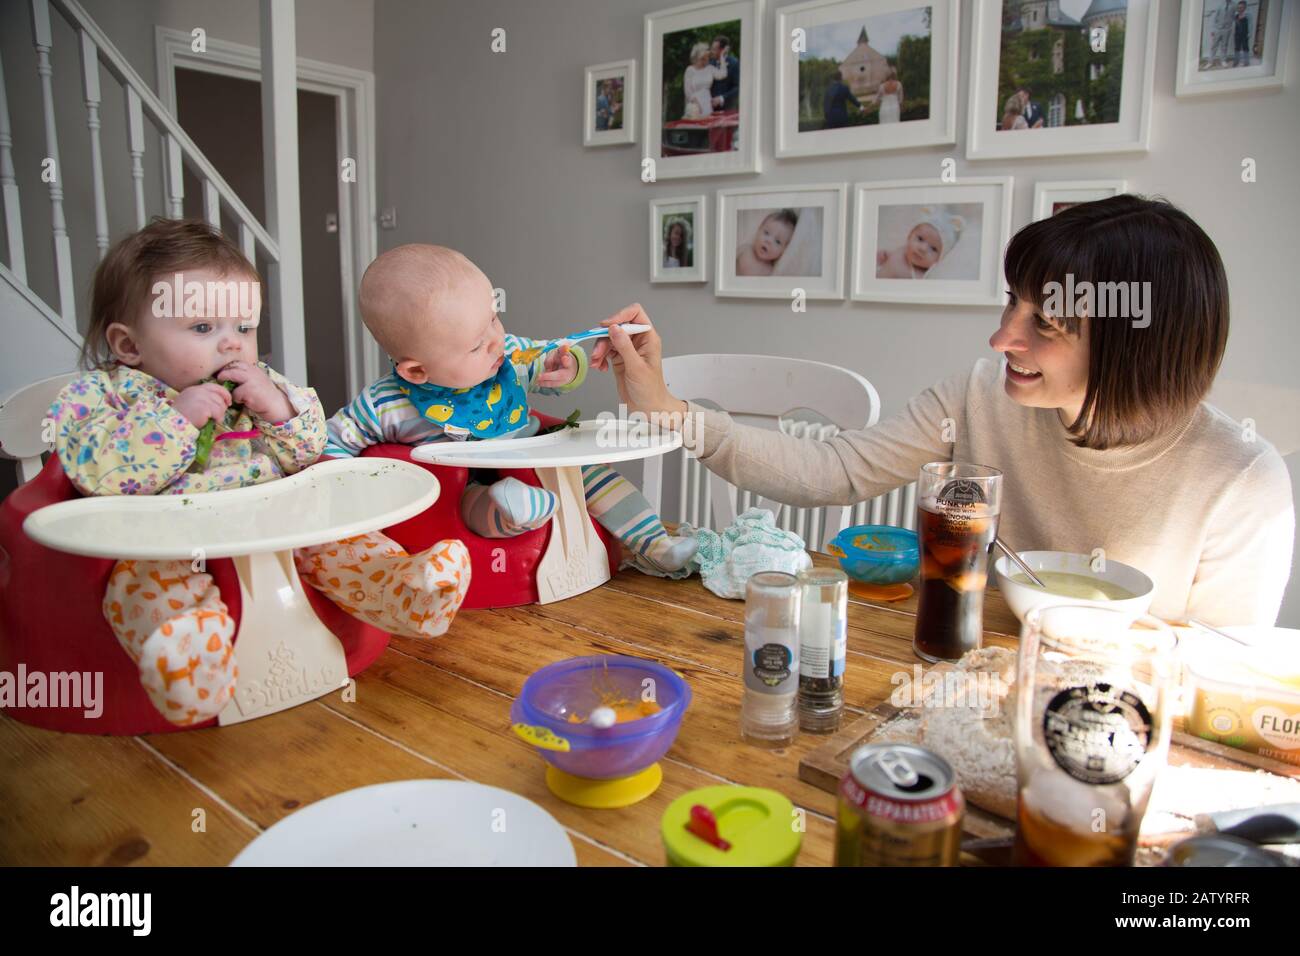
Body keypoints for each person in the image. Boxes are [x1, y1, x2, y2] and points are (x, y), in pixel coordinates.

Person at [589, 195, 1295, 626]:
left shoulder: (1243, 485)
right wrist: (667, 409)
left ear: (1136, 340)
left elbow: (1216, 680)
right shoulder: (980, 396)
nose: (1002, 338)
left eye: (1044, 322)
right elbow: (833, 471)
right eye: (1010, 302)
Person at [49, 219, 470, 726]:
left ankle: (408, 591)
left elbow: (309, 453)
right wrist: (175, 420)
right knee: (142, 588)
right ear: (129, 345)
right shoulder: (107, 398)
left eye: (243, 329)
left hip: (279, 527)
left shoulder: (257, 388)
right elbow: (98, 475)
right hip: (168, 541)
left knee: (345, 543)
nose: (231, 345)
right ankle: (189, 663)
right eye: (203, 328)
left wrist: (283, 412)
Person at [324, 244, 697, 576]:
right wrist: (342, 495)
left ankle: (655, 544)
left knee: (596, 474)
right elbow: (335, 442)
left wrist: (566, 367)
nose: (496, 341)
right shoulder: (386, 403)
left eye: (493, 319)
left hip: (536, 453)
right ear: (417, 371)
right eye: (475, 345)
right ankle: (516, 511)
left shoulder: (507, 355)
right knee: (472, 506)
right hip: (465, 486)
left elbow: (549, 357)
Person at [876, 206, 964, 279]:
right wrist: (886, 256)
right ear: (910, 236)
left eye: (933, 248)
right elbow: (892, 258)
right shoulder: (903, 250)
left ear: (940, 258)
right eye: (920, 239)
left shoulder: (920, 276)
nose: (923, 248)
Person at [736, 209, 797, 277]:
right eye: (766, 233)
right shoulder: (745, 250)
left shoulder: (770, 272)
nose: (769, 241)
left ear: (783, 251)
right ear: (758, 231)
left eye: (777, 241)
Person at [683, 42, 726, 119]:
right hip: (694, 105)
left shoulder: (710, 68)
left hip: (707, 103)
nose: (706, 60)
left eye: (707, 57)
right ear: (697, 57)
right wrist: (696, 104)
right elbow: (688, 91)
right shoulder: (690, 70)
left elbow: (723, 74)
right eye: (703, 58)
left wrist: (722, 57)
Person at [710, 35, 740, 111]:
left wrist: (721, 98)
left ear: (722, 50)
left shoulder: (734, 63)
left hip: (727, 110)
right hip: (710, 109)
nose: (711, 51)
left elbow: (738, 87)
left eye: (714, 49)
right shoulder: (710, 63)